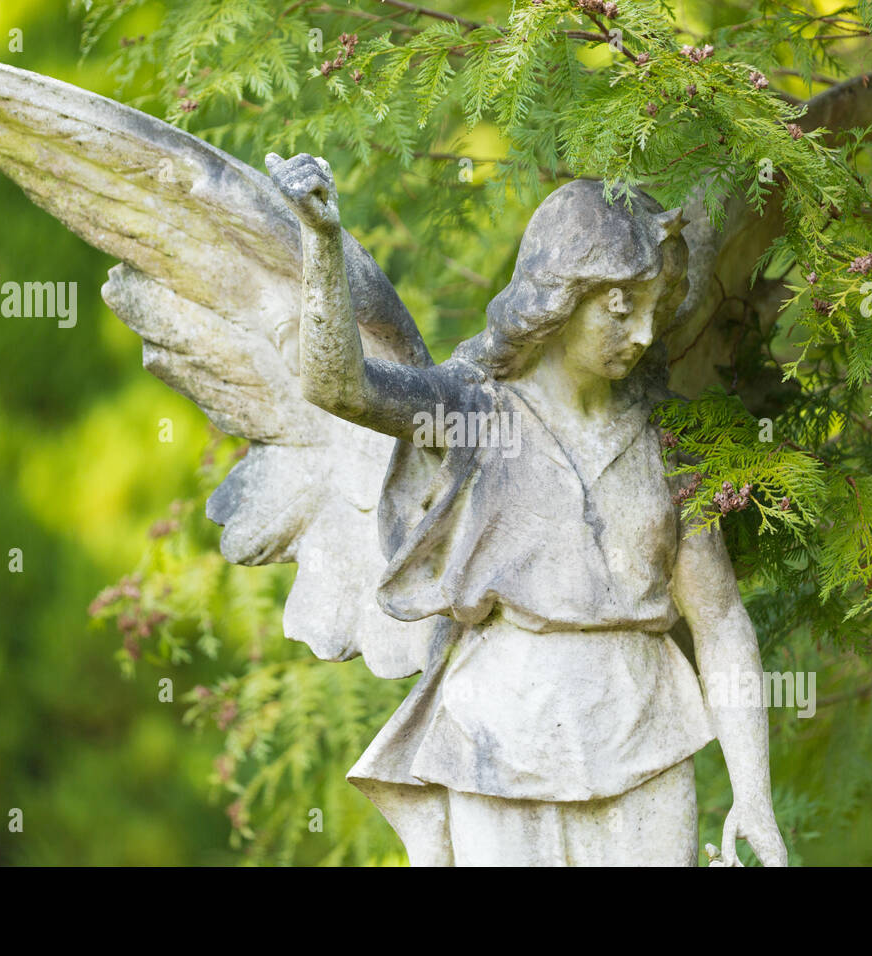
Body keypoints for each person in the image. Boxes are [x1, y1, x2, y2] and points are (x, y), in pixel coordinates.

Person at [266, 152, 786, 867]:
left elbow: (721, 619)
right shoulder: (474, 412)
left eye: (653, 309)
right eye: (618, 308)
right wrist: (322, 245)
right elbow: (338, 386)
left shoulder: (671, 437)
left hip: (646, 729)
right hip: (502, 736)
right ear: (560, 297)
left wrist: (754, 795)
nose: (641, 333)